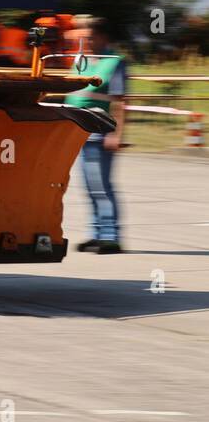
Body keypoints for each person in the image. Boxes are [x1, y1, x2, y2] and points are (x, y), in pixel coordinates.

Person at [63, 16, 127, 254]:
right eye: (83, 37)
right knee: (90, 187)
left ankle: (110, 236)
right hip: (80, 131)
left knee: (102, 186)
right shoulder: (82, 59)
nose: (85, 41)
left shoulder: (115, 62)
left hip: (101, 131)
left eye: (89, 37)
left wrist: (116, 133)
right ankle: (96, 233)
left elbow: (120, 102)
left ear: (102, 37)